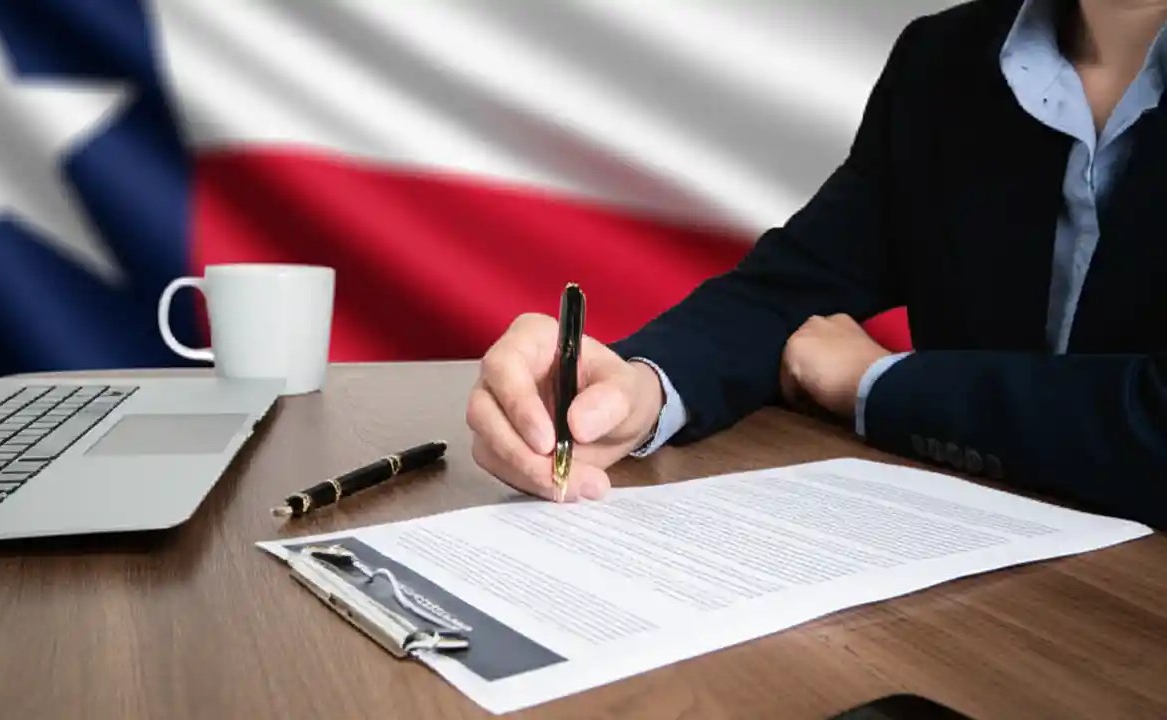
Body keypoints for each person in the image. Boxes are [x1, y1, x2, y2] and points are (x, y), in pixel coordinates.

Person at [465, 0, 1167, 528]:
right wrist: (635, 390)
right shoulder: (943, 58)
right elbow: (792, 284)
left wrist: (876, 383)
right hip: (973, 569)